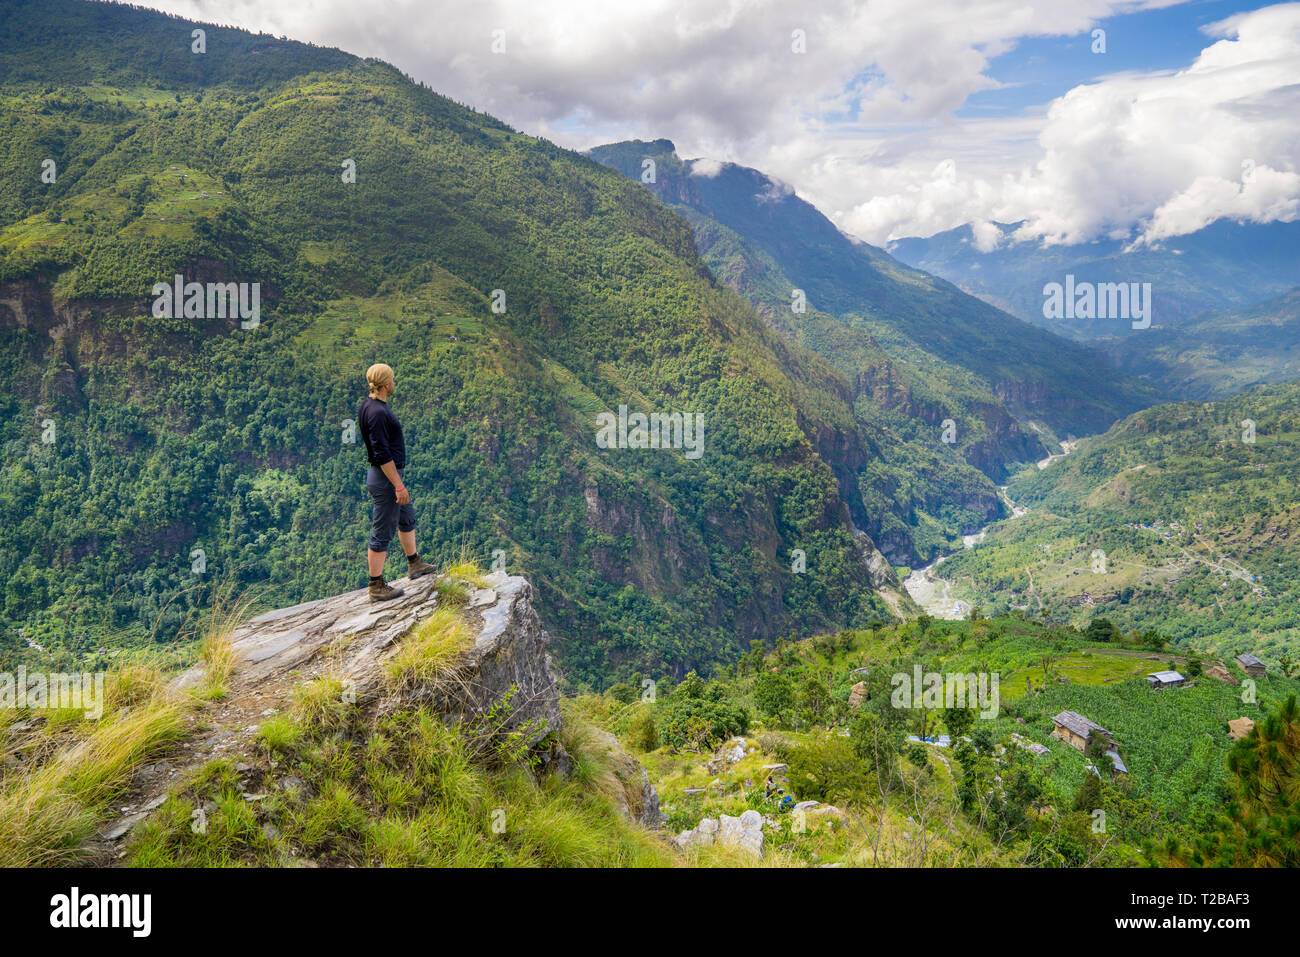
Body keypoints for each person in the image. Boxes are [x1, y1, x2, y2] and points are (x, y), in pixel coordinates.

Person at [358, 363, 435, 601]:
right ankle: (376, 585)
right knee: (382, 530)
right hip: (386, 479)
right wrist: (398, 486)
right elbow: (381, 453)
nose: (394, 382)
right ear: (386, 384)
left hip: (387, 476)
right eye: (392, 379)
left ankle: (414, 564)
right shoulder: (378, 412)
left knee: (406, 517)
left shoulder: (369, 406)